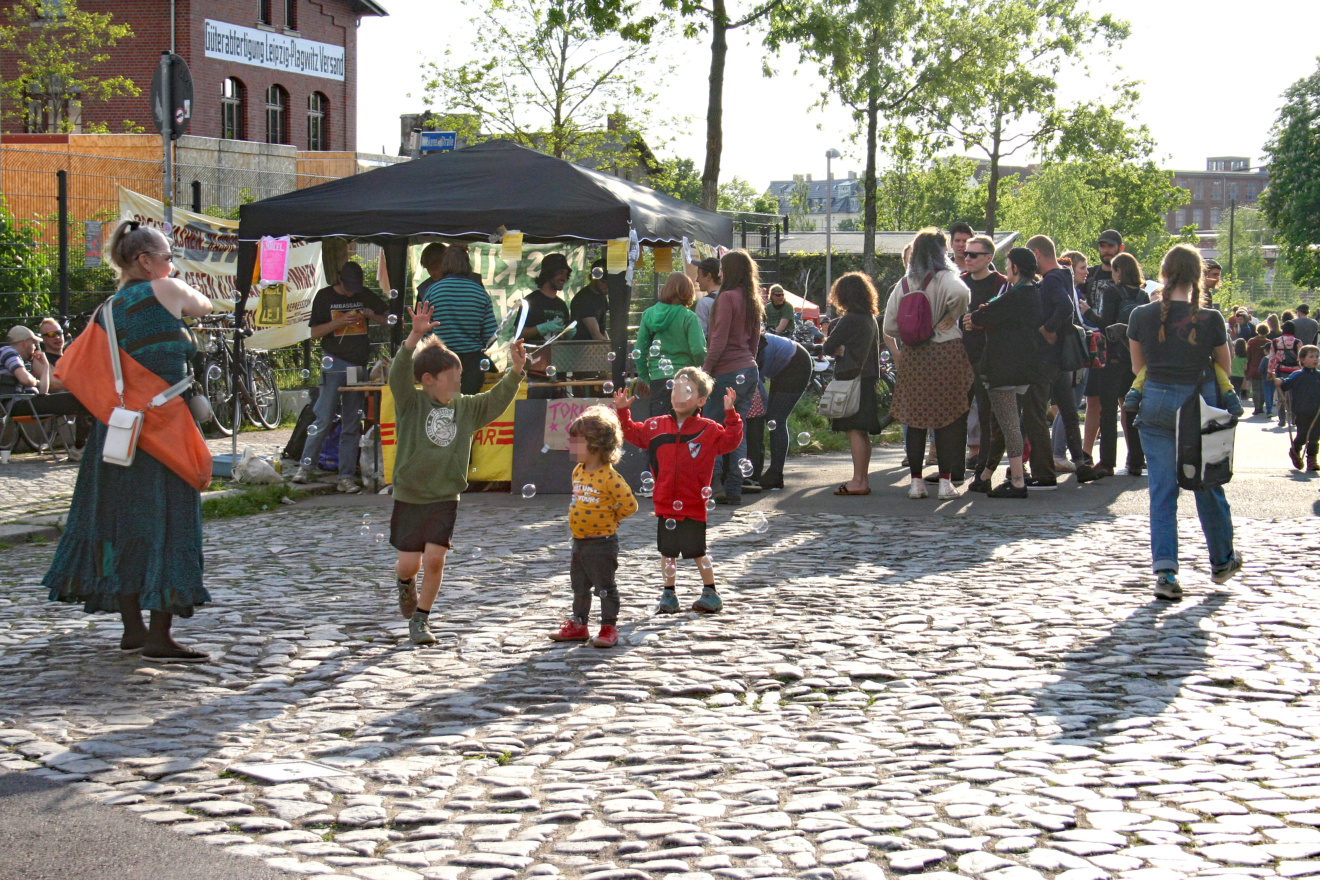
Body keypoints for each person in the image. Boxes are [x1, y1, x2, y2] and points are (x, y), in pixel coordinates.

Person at [41, 220, 214, 661]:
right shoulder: (168, 290)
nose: (172, 263)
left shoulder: (108, 309)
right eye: (167, 256)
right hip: (162, 429)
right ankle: (160, 637)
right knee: (169, 523)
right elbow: (206, 305)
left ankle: (132, 629)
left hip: (117, 432)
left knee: (122, 526)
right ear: (145, 261)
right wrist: (177, 279)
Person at [390, 302, 528, 645]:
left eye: (461, 379)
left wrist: (515, 371)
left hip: (444, 496)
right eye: (453, 380)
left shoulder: (465, 408)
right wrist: (414, 336)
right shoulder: (411, 402)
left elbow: (495, 401)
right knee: (409, 564)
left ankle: (421, 620)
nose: (459, 384)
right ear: (427, 381)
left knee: (435, 559)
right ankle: (405, 585)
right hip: (410, 495)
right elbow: (397, 374)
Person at [1127, 243, 1242, 601]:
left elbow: (1137, 368)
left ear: (1163, 273)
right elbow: (1225, 365)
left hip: (1156, 402)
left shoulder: (1141, 315)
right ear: (1198, 277)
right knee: (1207, 483)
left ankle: (1165, 572)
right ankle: (1222, 560)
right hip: (1200, 405)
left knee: (1162, 492)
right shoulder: (1212, 319)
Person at [614, 368, 742, 615]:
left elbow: (731, 442)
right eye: (676, 388)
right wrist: (622, 411)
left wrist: (731, 414)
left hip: (694, 502)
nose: (679, 394)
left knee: (698, 551)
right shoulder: (655, 426)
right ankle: (669, 593)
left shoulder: (709, 429)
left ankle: (711, 591)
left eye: (688, 390)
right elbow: (631, 432)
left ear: (701, 401)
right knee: (668, 551)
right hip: (665, 502)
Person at [884, 228, 973, 500]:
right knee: (946, 419)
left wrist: (912, 332)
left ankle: (915, 483)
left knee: (915, 420)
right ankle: (946, 484)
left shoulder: (905, 283)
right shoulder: (946, 278)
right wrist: (951, 316)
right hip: (945, 352)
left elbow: (889, 324)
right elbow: (962, 294)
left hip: (914, 356)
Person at [292, 262, 389, 492]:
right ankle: (305, 466)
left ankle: (345, 476)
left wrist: (372, 315)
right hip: (334, 362)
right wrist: (339, 321)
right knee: (323, 417)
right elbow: (314, 333)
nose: (352, 292)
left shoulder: (364, 294)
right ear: (339, 279)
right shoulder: (324, 297)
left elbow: (389, 320)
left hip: (358, 364)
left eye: (355, 288)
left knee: (352, 422)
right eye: (348, 287)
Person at [549, 405, 638, 648]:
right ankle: (579, 624)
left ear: (596, 446)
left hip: (602, 543)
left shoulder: (610, 477)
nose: (571, 446)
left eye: (576, 442)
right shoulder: (578, 470)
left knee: (605, 587)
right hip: (579, 541)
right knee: (579, 586)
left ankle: (608, 626)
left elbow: (630, 504)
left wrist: (614, 518)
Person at [963, 247, 1044, 499]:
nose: (1005, 268)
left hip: (1003, 369)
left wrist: (974, 317)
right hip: (1024, 367)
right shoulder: (1034, 294)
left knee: (1009, 425)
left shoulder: (1014, 297)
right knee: (999, 422)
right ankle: (985, 476)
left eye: (1008, 264)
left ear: (1016, 268)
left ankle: (1017, 480)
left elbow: (983, 314)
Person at [1027, 235, 1098, 484]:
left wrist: (1048, 328)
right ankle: (1080, 462)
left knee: (1034, 413)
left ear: (1037, 254)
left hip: (1048, 357)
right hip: (1063, 359)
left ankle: (1036, 467)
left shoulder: (1051, 280)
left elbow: (1065, 307)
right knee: (1068, 412)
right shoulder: (1065, 276)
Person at [702, 250, 763, 504]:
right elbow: (756, 341)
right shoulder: (753, 299)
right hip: (749, 370)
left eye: (723, 269)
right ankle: (735, 489)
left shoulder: (726, 298)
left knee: (712, 428)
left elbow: (718, 340)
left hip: (726, 371)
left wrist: (705, 371)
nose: (720, 273)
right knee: (738, 431)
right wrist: (749, 366)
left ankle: (714, 486)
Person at [1090, 251, 1149, 477]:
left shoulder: (1113, 291)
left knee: (1108, 410)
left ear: (1119, 271)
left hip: (1113, 357)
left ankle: (1107, 462)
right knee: (1132, 409)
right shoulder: (1143, 296)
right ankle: (1135, 460)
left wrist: (1089, 313)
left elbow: (1106, 323)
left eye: (1114, 270)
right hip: (1135, 358)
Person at [824, 272, 883, 496]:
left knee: (854, 430)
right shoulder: (869, 318)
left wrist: (838, 348)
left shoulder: (850, 319)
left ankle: (858, 481)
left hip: (851, 379)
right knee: (862, 432)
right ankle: (862, 478)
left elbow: (829, 346)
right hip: (867, 378)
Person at [420, 245, 498, 395]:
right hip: (473, 364)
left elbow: (424, 332)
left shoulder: (432, 291)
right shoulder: (480, 293)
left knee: (444, 409)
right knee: (467, 408)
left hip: (440, 362)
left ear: (445, 264)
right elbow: (491, 334)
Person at [962, 235, 1008, 477]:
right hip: (960, 357)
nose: (966, 258)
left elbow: (1006, 319)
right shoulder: (959, 282)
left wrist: (981, 321)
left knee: (987, 414)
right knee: (956, 412)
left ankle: (984, 466)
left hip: (988, 357)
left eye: (973, 254)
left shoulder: (1001, 283)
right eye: (965, 254)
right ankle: (952, 467)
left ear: (988, 258)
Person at [1080, 229, 1125, 462]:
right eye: (1102, 246)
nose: (1105, 251)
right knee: (1093, 399)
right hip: (1095, 346)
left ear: (1120, 248)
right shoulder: (1092, 275)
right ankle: (1086, 453)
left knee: (1125, 400)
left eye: (1110, 246)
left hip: (1122, 348)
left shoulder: (1128, 276)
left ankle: (1134, 455)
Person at [635, 273, 706, 416]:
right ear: (688, 293)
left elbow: (639, 352)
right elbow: (699, 350)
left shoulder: (648, 314)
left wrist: (647, 378)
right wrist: (700, 372)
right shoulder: (688, 317)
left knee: (661, 427)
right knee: (683, 425)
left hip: (657, 379)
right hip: (683, 378)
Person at [747, 331, 811, 490]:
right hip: (785, 365)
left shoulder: (757, 346)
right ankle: (774, 473)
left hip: (797, 363)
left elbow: (757, 388)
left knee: (776, 419)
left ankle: (776, 474)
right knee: (772, 418)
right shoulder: (749, 341)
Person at [521, 253, 573, 400]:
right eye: (559, 272)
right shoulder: (530, 301)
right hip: (536, 374)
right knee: (536, 419)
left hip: (559, 374)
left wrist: (568, 334)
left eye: (566, 273)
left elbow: (563, 338)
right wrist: (542, 327)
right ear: (548, 273)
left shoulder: (561, 305)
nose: (563, 277)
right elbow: (519, 335)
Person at [1268, 320, 1303, 426]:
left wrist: (1269, 373)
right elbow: (1301, 358)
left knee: (1281, 396)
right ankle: (1293, 419)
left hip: (1280, 371)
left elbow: (1271, 358)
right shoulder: (1297, 342)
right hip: (1295, 371)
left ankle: (1282, 419)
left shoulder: (1275, 341)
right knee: (1294, 396)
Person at [570, 259, 610, 342]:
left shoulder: (601, 296)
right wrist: (609, 349)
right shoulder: (584, 299)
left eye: (610, 283)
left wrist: (609, 345)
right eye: (603, 282)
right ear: (593, 278)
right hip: (581, 347)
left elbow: (602, 330)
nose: (606, 286)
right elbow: (595, 334)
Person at [1247, 323, 1273, 415]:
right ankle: (1262, 406)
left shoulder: (1251, 341)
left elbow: (1248, 355)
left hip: (1253, 368)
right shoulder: (1269, 342)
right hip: (1265, 368)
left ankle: (1257, 407)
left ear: (1257, 331)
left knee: (1255, 389)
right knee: (1263, 389)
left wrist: (1247, 367)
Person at [693, 257, 721, 336]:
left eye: (699, 275)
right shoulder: (731, 298)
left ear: (709, 276)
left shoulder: (704, 303)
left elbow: (701, 335)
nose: (697, 280)